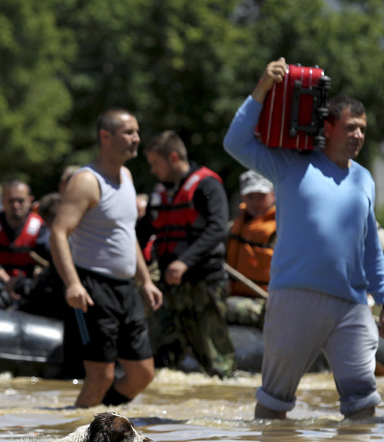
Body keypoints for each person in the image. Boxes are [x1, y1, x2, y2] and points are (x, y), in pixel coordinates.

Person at [223, 58, 384, 420]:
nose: (358, 135)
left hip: (351, 304)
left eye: (362, 129)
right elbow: (235, 142)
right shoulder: (290, 164)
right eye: (350, 128)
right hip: (294, 298)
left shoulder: (364, 179)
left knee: (363, 401)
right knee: (274, 401)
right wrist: (261, 89)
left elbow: (370, 245)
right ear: (328, 127)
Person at [49, 108, 163, 407]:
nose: (136, 139)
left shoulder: (126, 176)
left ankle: (99, 422)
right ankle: (77, 432)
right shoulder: (86, 181)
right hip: (93, 288)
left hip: (126, 289)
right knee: (101, 376)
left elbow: (126, 234)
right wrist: (73, 284)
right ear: (105, 136)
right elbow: (58, 233)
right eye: (129, 132)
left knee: (142, 374)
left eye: (137, 132)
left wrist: (146, 281)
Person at [139, 130, 235, 377]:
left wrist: (184, 262)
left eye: (156, 163)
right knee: (162, 357)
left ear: (173, 158)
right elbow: (141, 233)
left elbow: (217, 228)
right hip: (169, 288)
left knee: (215, 360)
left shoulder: (206, 186)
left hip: (204, 282)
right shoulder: (159, 194)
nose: (153, 170)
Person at [225, 170, 277, 328]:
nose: (255, 202)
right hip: (236, 293)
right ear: (243, 197)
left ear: (273, 195)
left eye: (261, 196)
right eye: (250, 197)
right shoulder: (234, 225)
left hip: (266, 299)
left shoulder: (282, 227)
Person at [0, 179, 46, 280]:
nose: (15, 205)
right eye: (11, 201)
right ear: (2, 201)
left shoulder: (40, 227)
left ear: (30, 200)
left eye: (20, 201)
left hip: (28, 283)